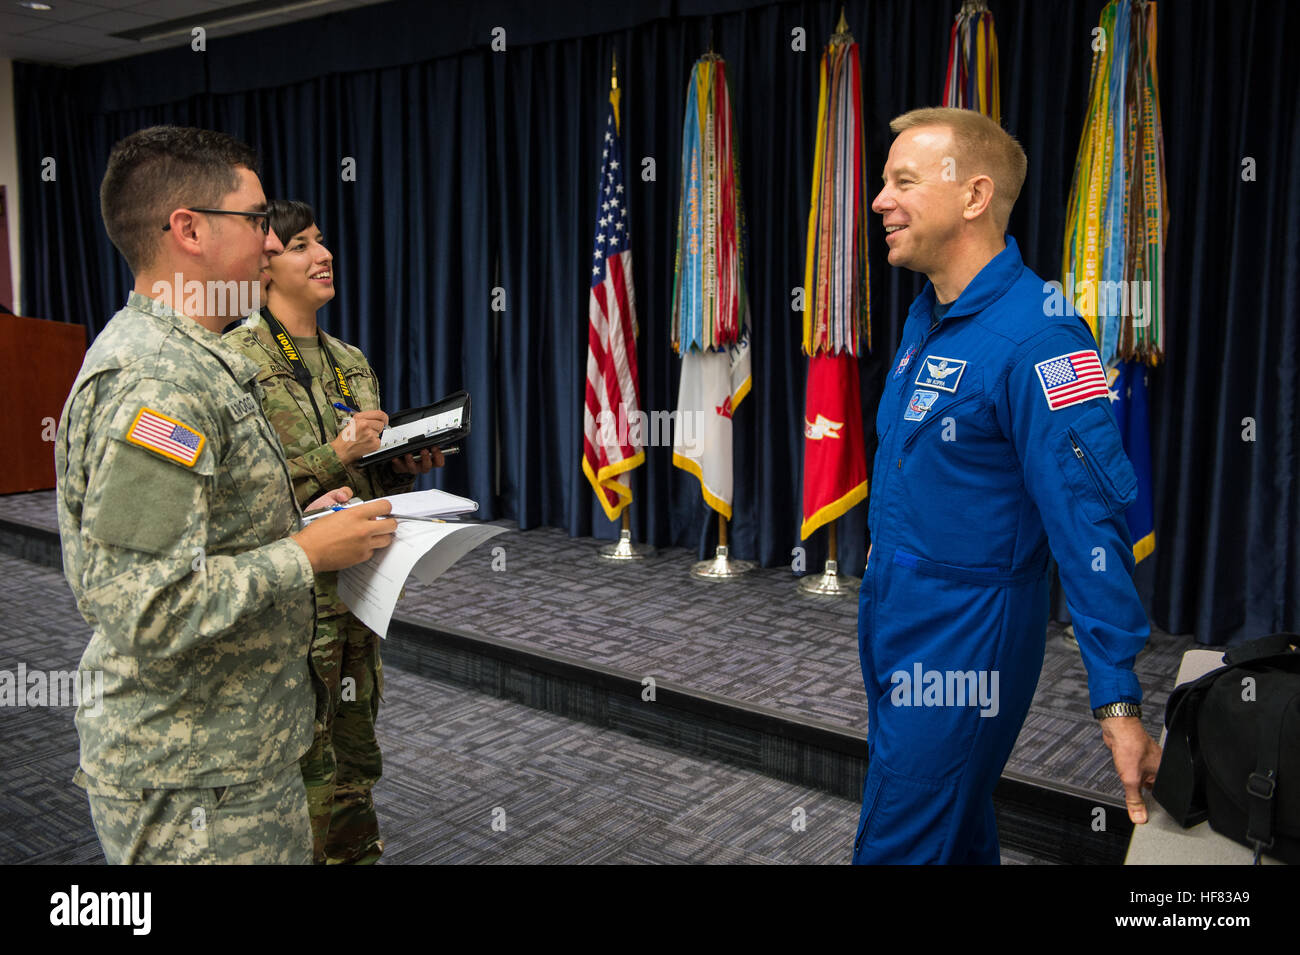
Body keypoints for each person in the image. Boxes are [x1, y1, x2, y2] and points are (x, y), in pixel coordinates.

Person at [55, 126, 397, 865]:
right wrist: (305, 552)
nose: (273, 247)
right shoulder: (160, 384)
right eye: (257, 221)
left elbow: (205, 537)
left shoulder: (196, 361)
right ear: (188, 230)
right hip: (190, 780)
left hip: (235, 756)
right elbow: (145, 604)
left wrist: (296, 520)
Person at [853, 107, 1162, 864]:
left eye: (903, 181)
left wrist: (1117, 697)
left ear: (974, 195)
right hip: (894, 611)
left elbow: (1087, 524)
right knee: (953, 831)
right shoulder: (928, 315)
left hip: (967, 633)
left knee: (899, 845)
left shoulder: (1042, 335)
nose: (877, 201)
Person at [224, 200, 439, 864]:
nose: (324, 255)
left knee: (353, 755)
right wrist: (338, 453)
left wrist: (399, 467)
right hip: (289, 605)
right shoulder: (234, 361)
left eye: (323, 241)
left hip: (355, 595)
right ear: (264, 267)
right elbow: (235, 496)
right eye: (301, 246)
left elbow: (363, 480)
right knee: (296, 761)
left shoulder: (350, 360)